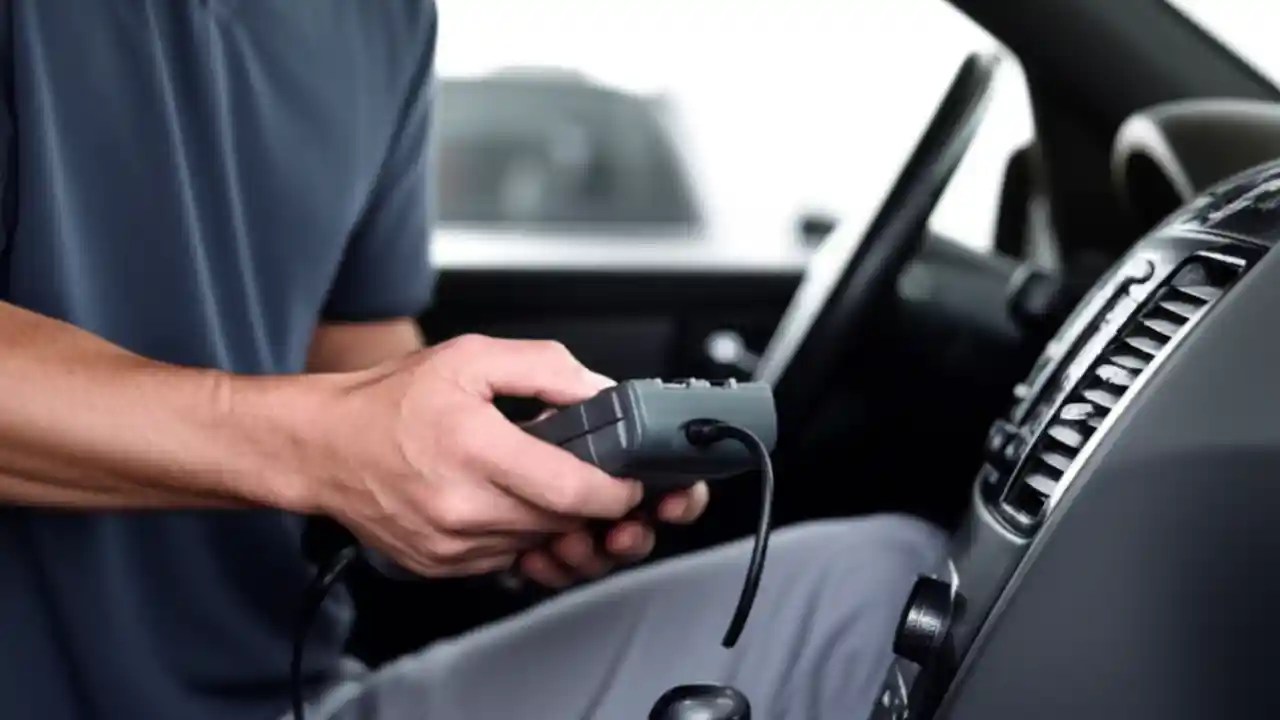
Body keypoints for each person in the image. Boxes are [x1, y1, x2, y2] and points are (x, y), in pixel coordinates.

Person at [0, 2, 947, 719]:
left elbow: (354, 357)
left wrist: (493, 487)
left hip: (291, 692)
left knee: (881, 590)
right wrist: (317, 449)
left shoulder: (382, 18)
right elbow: (327, 428)